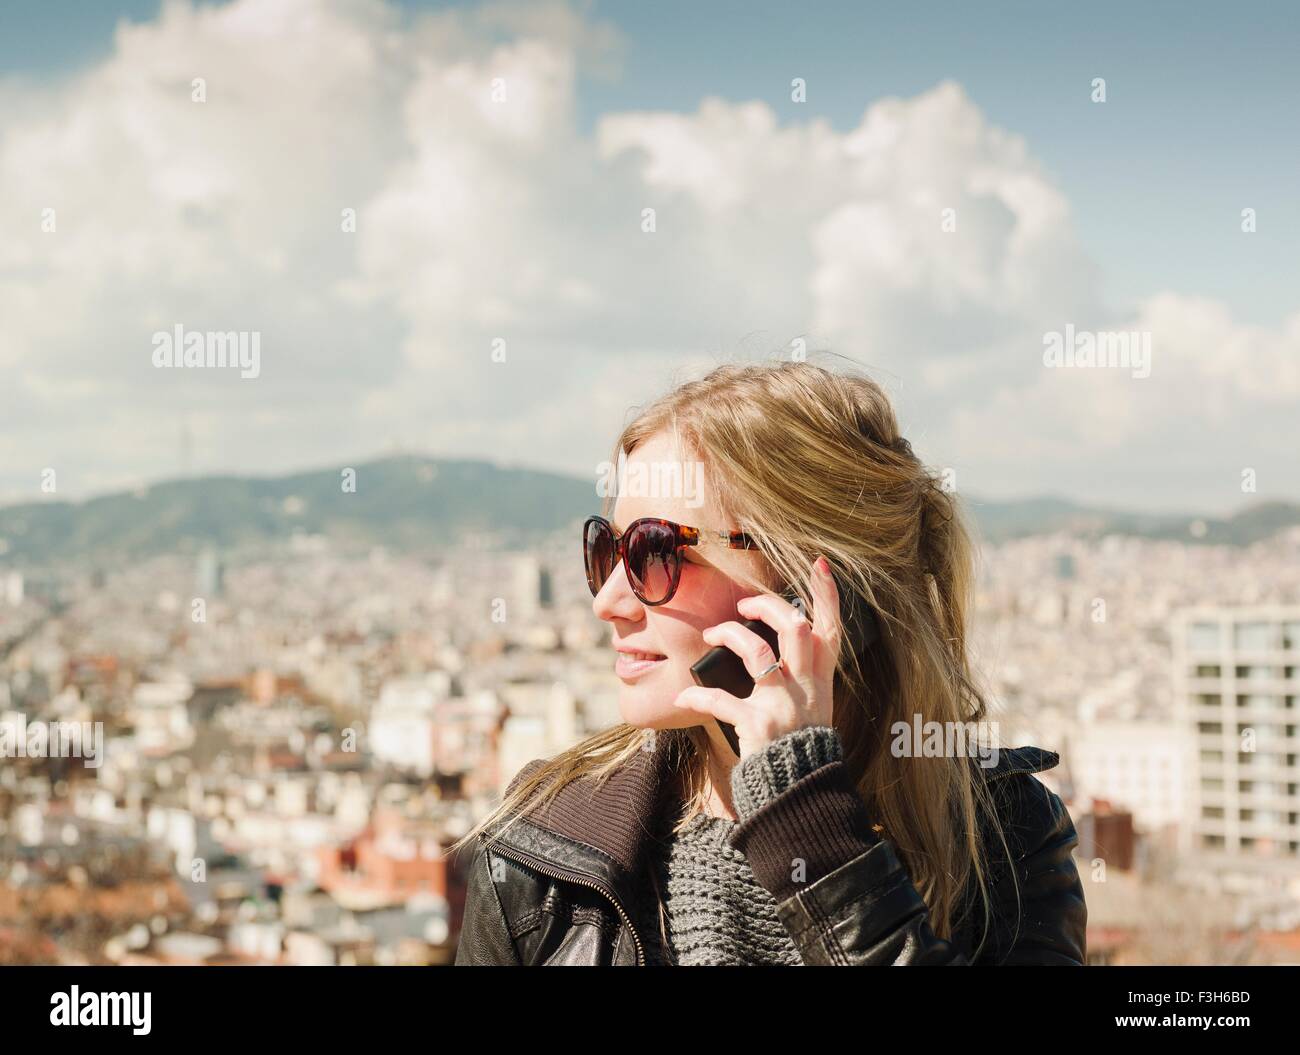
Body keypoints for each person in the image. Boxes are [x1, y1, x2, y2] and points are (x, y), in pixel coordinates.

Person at [453, 360, 1087, 965]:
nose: (609, 602)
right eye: (607, 549)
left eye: (654, 550)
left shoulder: (1002, 838)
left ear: (818, 592)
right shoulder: (542, 858)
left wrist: (809, 827)